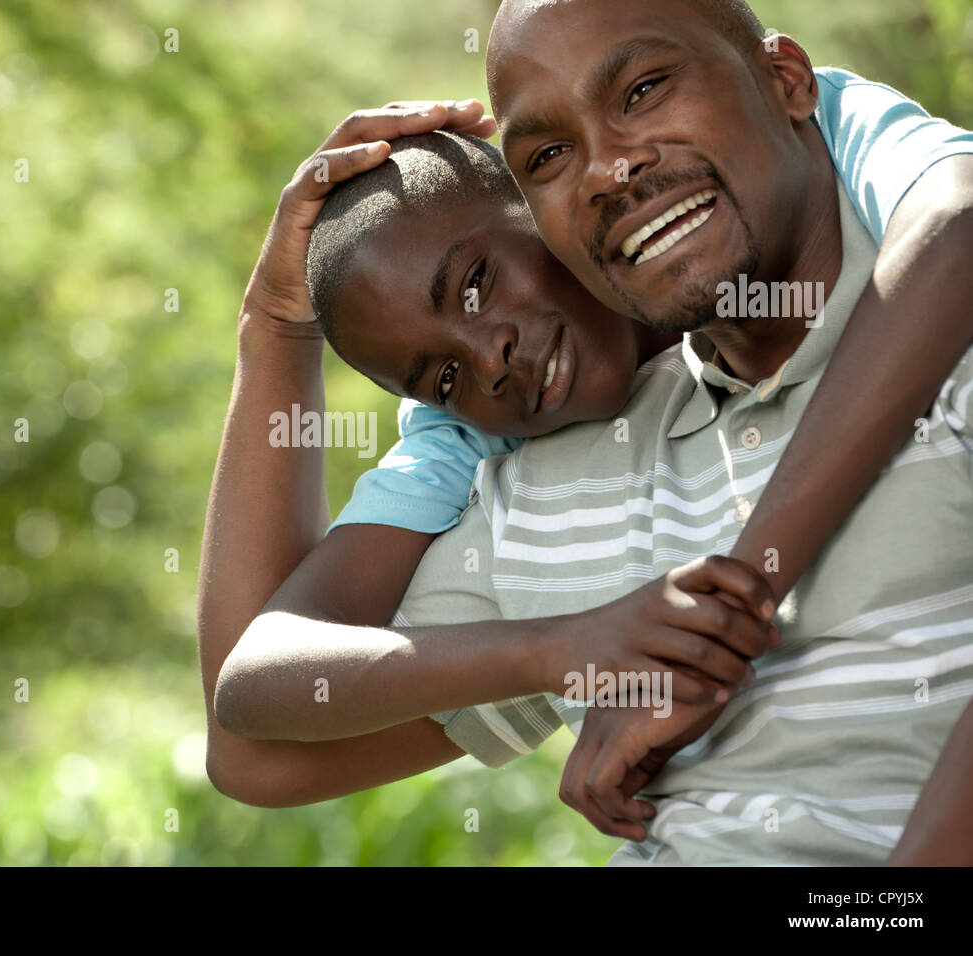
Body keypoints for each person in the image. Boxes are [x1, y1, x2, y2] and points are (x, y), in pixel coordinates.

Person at [199, 12, 973, 861]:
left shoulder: (917, 275)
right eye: (550, 158)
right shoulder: (523, 479)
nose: (609, 168)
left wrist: (722, 612)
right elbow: (256, 737)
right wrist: (273, 329)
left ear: (788, 79)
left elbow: (957, 224)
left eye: (643, 91)